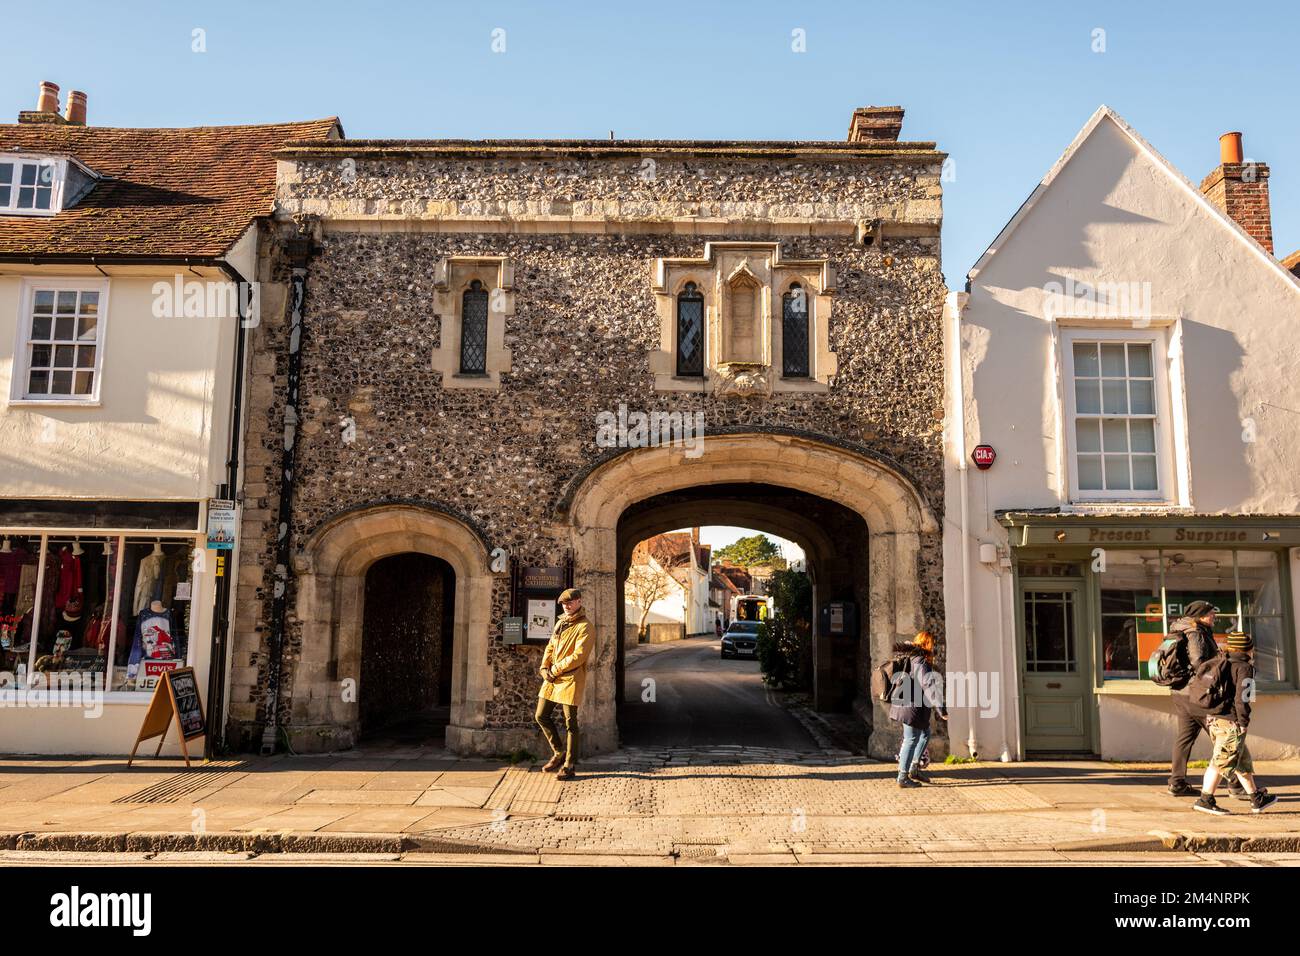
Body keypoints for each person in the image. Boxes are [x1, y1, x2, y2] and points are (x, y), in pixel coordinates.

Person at [1193, 631, 1279, 815]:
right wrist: (1243, 721)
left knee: (1241, 760)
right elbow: (1243, 699)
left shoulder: (1221, 661)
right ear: (1249, 649)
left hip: (1214, 718)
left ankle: (1256, 798)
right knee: (1221, 760)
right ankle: (1205, 799)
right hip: (1230, 721)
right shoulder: (1245, 668)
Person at [1167, 601, 1247, 800]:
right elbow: (1199, 662)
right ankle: (1236, 785)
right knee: (1227, 735)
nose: (1214, 617)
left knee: (1184, 737)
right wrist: (1220, 663)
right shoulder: (1195, 632)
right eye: (1211, 613)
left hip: (1180, 692)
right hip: (1198, 695)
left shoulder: (1180, 628)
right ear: (1200, 615)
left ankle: (1177, 783)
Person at [535, 587, 592, 780]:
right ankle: (558, 752)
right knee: (541, 715)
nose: (566, 606)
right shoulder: (560, 623)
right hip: (552, 677)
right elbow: (551, 647)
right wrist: (544, 667)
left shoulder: (585, 626)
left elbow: (579, 656)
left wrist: (555, 669)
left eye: (570, 602)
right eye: (564, 604)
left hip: (570, 677)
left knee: (570, 723)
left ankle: (569, 764)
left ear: (579, 602)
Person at [888, 630, 948, 788]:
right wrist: (941, 708)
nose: (933, 648)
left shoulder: (912, 657)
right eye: (932, 645)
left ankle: (913, 769)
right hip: (910, 706)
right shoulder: (920, 661)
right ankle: (902, 777)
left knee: (925, 733)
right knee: (911, 739)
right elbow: (928, 684)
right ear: (927, 644)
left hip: (910, 705)